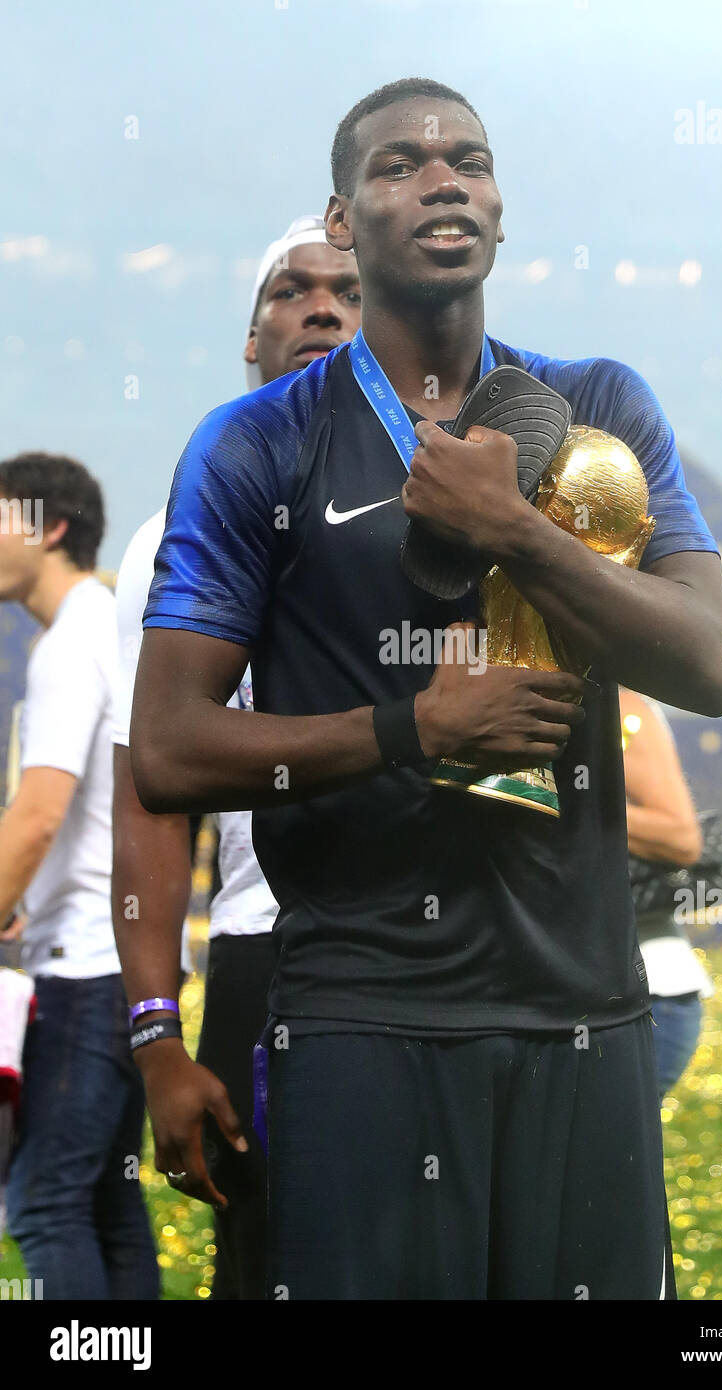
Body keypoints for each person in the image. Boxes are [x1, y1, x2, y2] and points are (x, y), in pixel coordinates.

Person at [130, 77, 722, 1300]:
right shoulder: (256, 444)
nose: (441, 177)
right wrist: (413, 727)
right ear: (342, 222)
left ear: (499, 212)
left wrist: (515, 529)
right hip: (361, 1011)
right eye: (399, 164)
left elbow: (706, 663)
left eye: (467, 159)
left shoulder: (600, 404)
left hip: (585, 1001)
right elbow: (168, 750)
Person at [112, 217, 361, 1299]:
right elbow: (152, 795)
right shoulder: (179, 528)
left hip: (460, 960)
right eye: (287, 291)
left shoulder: (466, 507)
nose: (319, 307)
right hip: (272, 958)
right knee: (272, 1271)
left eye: (348, 291)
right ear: (249, 342)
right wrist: (156, 1033)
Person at [0, 452, 158, 1300]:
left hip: (84, 970)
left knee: (43, 1202)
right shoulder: (108, 625)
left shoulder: (66, 645)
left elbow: (37, 814)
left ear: (50, 527)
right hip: (126, 967)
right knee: (105, 1202)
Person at [620, 687, 714, 1101]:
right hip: (589, 998)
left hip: (647, 1000)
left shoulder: (619, 707)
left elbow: (681, 836)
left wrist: (564, 799)